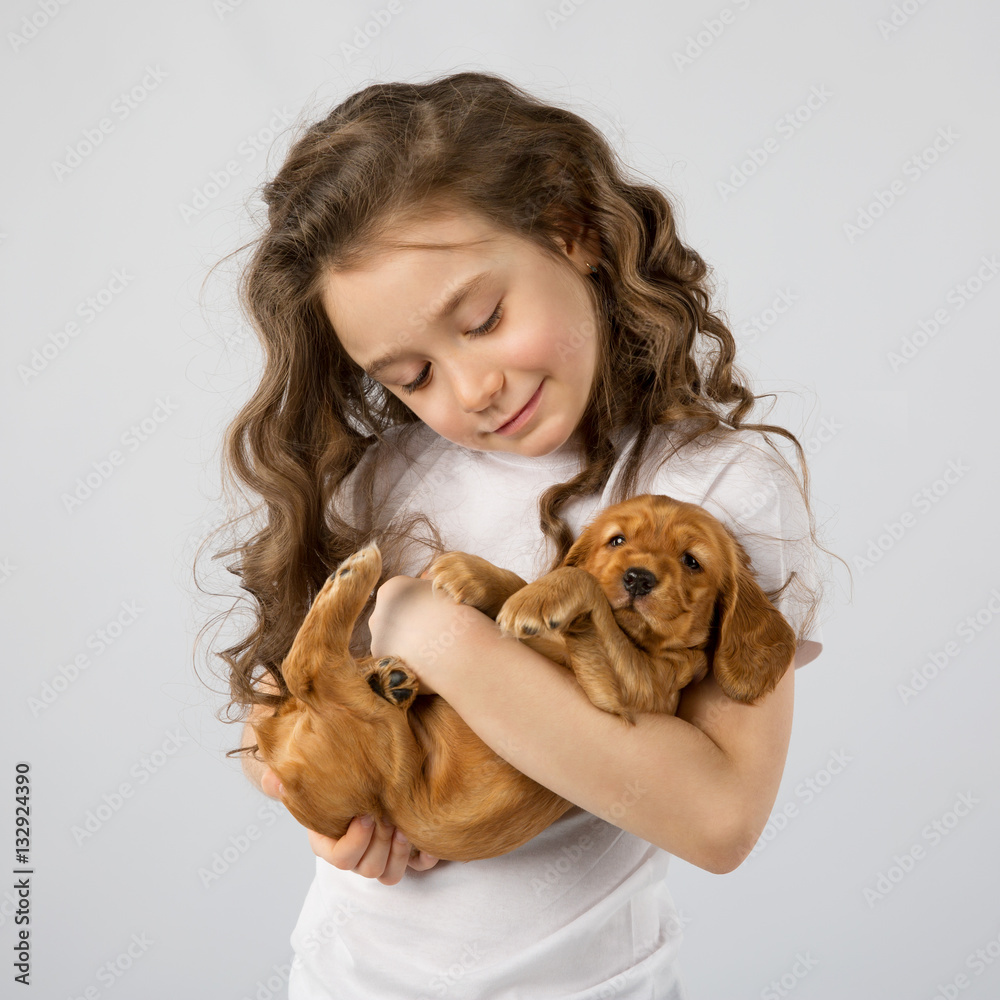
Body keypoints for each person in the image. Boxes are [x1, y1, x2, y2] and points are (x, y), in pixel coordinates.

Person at [210, 70, 832, 999]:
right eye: (413, 375)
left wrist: (437, 637)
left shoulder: (710, 490)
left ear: (570, 227)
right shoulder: (391, 476)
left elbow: (718, 819)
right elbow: (276, 703)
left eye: (485, 320)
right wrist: (317, 805)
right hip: (348, 978)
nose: (469, 392)